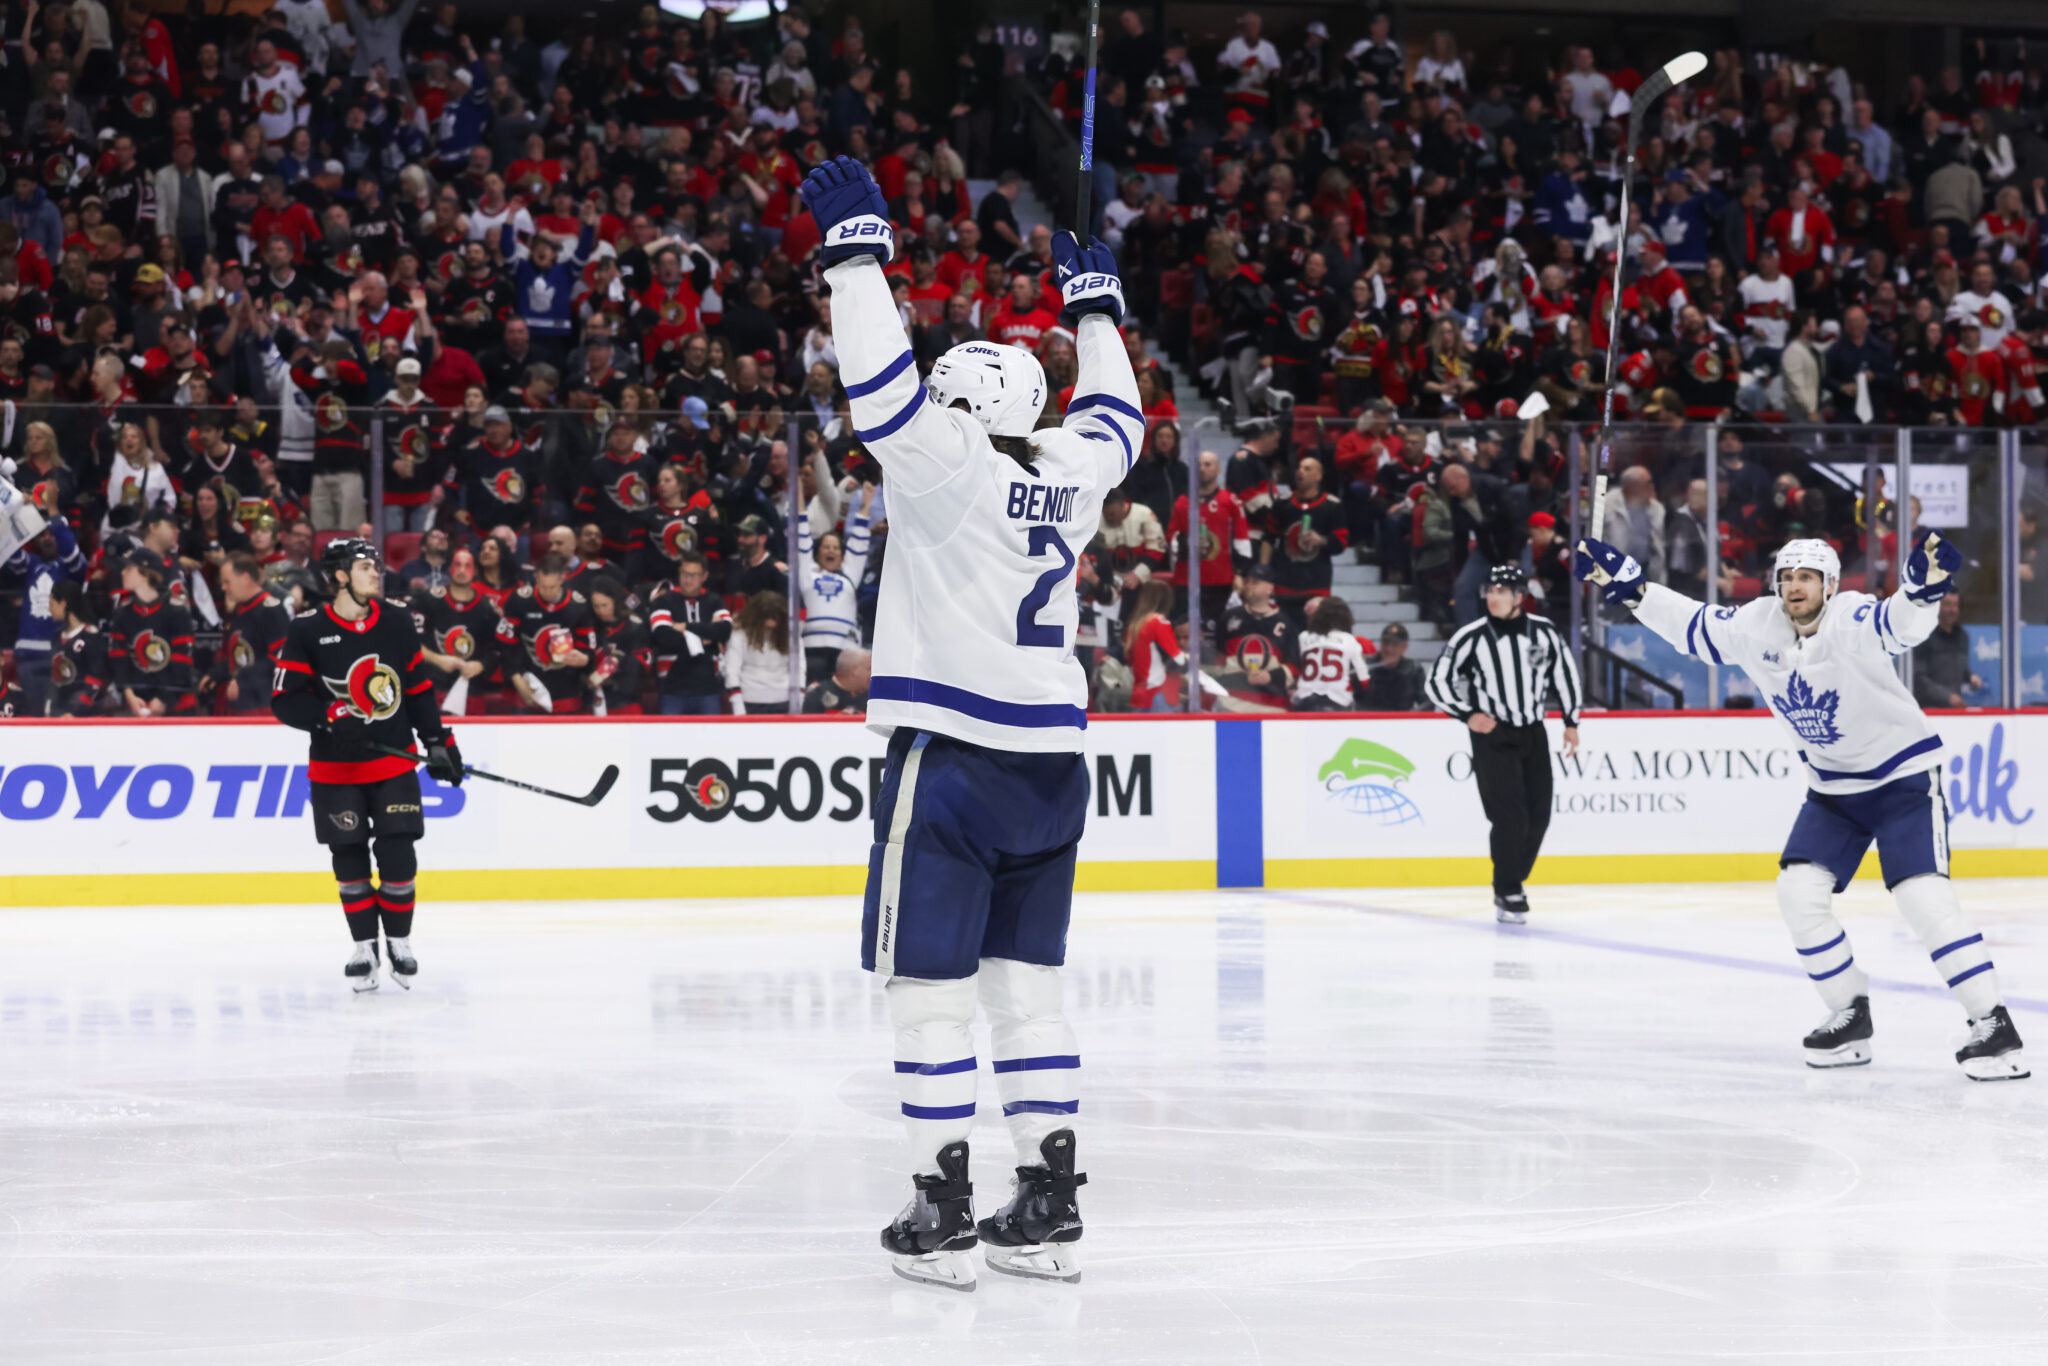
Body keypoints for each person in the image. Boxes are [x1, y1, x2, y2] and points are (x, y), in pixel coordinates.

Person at [805, 155, 1142, 1289]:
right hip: (1052, 771)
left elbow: (878, 393)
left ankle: (940, 1210)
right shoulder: (1073, 470)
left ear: (963, 407)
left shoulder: (943, 465)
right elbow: (1120, 421)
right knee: (1027, 993)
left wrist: (856, 257)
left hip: (948, 763)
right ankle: (1046, 1202)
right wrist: (1095, 316)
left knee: (927, 997)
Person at [1575, 531, 2028, 1080]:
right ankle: (1849, 1013)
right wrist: (1633, 588)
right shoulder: (1757, 624)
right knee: (1797, 893)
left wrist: (1922, 589)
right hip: (1833, 791)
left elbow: (1901, 625)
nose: (1794, 586)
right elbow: (1693, 629)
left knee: (1922, 899)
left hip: (1902, 782)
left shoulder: (1852, 618)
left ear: (1831, 585)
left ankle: (1994, 1024)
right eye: (1786, 576)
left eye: (1807, 577)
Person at [270, 538, 464, 992]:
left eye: (375, 565)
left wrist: (440, 741)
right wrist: (330, 717)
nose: (376, 572)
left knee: (399, 854)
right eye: (364, 566)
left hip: (392, 764)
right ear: (339, 575)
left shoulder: (396, 620)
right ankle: (363, 947)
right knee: (349, 858)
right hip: (335, 771)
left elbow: (416, 687)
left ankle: (398, 940)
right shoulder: (308, 629)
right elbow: (284, 701)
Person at [1425, 562, 1583, 924]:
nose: (1493, 598)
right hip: (1493, 734)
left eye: (1501, 592)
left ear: (1519, 597)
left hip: (1533, 731)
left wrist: (1571, 721)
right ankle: (1508, 888)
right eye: (1490, 591)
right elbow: (1437, 682)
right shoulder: (1472, 636)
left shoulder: (1543, 632)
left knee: (1539, 816)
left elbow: (1565, 674)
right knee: (1509, 816)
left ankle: (1512, 876)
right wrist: (1467, 715)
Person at [796, 482, 874, 682]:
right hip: (812, 650)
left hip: (846, 651)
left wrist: (866, 503)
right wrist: (799, 498)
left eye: (836, 548)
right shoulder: (808, 573)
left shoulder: (849, 575)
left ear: (842, 554)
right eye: (826, 547)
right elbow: (802, 538)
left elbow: (859, 543)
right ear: (817, 551)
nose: (831, 551)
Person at [646, 550, 732, 715]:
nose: (688, 579)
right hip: (672, 688)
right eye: (684, 574)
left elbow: (724, 630)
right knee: (670, 740)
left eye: (694, 575)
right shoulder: (663, 601)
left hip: (708, 687)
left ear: (704, 576)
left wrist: (685, 626)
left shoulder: (715, 601)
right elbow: (663, 635)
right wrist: (703, 638)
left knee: (710, 739)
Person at [213, 553, 293, 714]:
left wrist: (243, 680)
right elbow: (239, 656)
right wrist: (215, 674)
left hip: (265, 706)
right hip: (242, 704)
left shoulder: (271, 610)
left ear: (245, 577)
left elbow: (282, 657)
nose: (224, 588)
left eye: (227, 582)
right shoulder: (240, 610)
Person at [1291, 596, 1370, 711]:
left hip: (1306, 702)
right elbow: (1362, 677)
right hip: (1338, 703)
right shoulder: (1349, 639)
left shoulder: (1303, 636)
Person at [1911, 591, 1981, 710]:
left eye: (1955, 605)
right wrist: (1947, 697)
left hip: (1955, 710)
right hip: (1929, 710)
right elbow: (1919, 679)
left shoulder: (1962, 636)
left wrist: (1970, 677)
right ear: (1938, 607)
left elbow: (1960, 670)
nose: (1952, 610)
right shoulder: (1925, 635)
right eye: (1948, 604)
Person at [1358, 622, 1425, 711]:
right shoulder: (1365, 666)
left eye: (1395, 644)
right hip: (1366, 722)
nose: (1389, 649)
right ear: (1381, 643)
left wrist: (1410, 717)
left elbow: (1426, 702)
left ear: (1404, 646)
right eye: (1386, 643)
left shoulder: (1414, 670)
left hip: (1403, 722)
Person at [804, 644, 872, 713]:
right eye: (869, 668)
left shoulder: (871, 697)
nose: (872, 674)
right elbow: (807, 722)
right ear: (854, 671)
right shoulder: (817, 694)